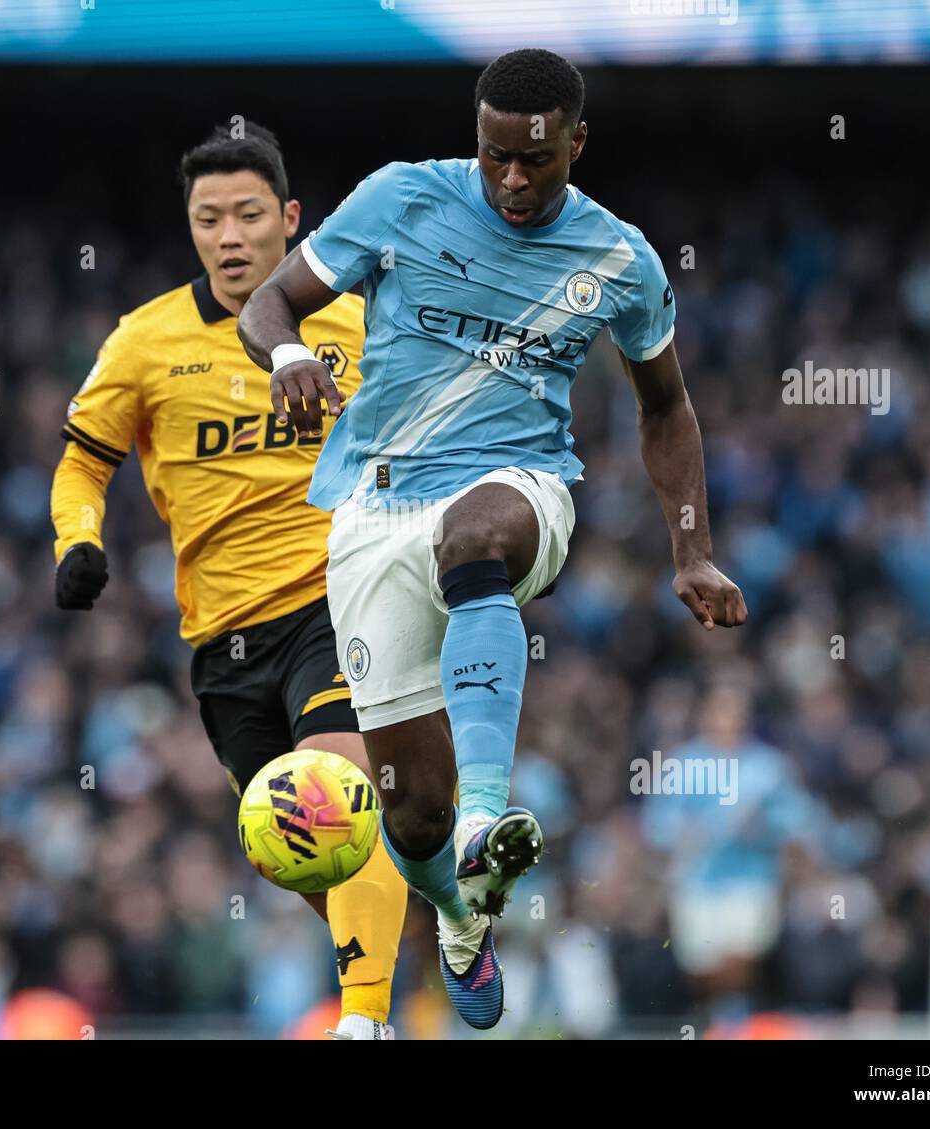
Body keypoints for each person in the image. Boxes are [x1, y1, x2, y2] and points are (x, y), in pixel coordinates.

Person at [237, 50, 747, 1029]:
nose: (512, 180)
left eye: (536, 161)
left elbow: (667, 407)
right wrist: (292, 353)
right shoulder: (401, 199)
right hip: (374, 510)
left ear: (576, 144)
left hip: (521, 486)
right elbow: (270, 301)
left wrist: (689, 547)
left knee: (478, 533)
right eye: (493, 158)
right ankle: (459, 913)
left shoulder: (617, 259)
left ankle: (486, 813)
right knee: (407, 817)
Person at [49, 122, 407, 1040]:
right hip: (223, 641)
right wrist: (76, 541)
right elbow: (83, 463)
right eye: (210, 218)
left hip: (340, 598)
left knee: (332, 792)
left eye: (250, 214)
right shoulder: (145, 341)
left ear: (291, 219)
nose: (230, 236)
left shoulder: (359, 320)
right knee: (297, 850)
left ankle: (364, 1022)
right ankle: (441, 913)